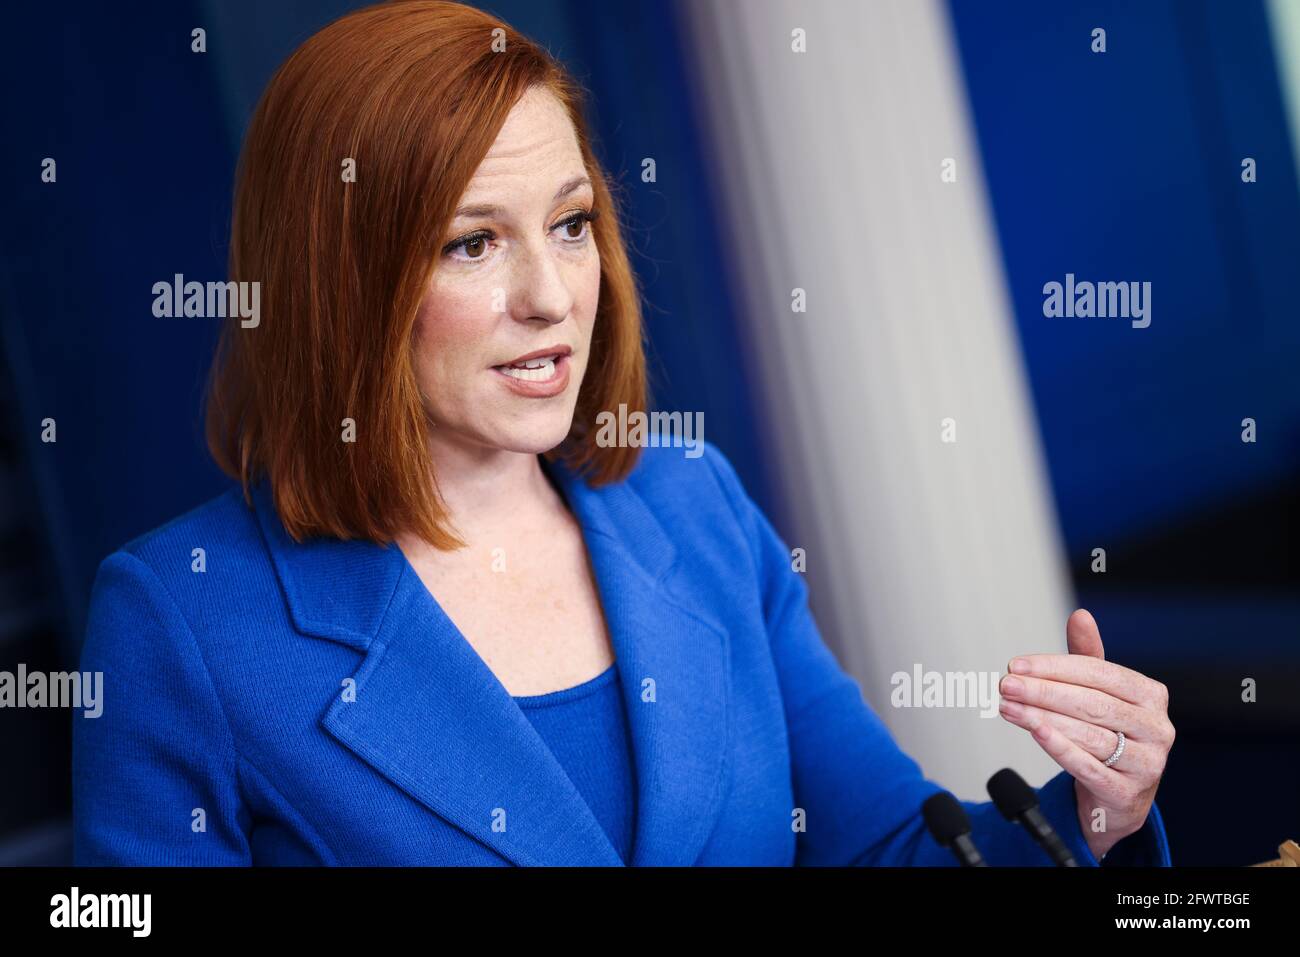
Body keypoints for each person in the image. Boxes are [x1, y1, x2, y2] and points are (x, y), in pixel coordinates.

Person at [72, 0, 1173, 866]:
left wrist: (1092, 815)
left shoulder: (691, 504)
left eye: (569, 224)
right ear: (337, 286)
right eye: (471, 244)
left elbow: (885, 848)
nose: (552, 296)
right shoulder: (183, 618)